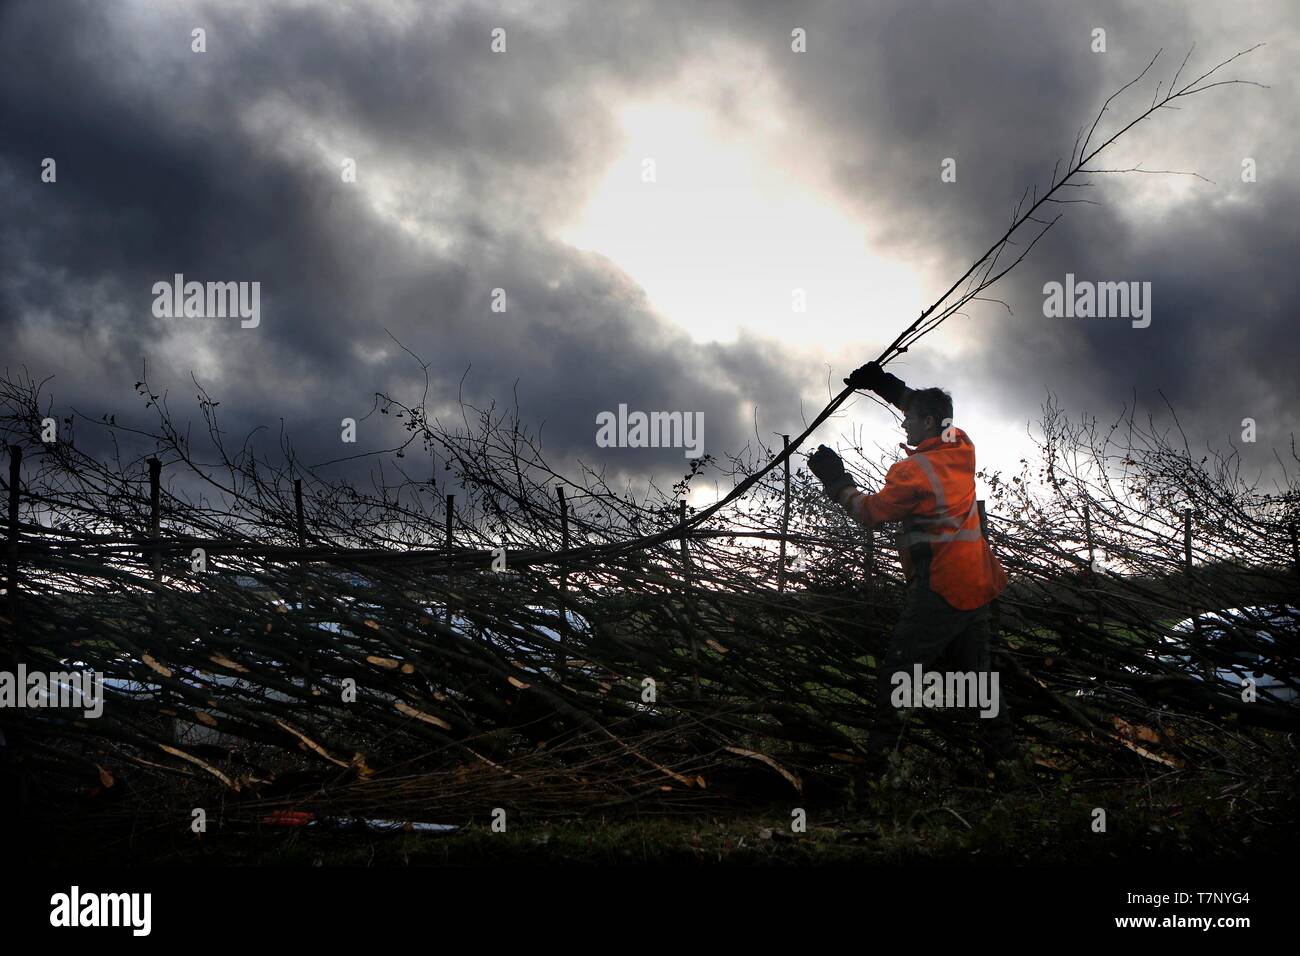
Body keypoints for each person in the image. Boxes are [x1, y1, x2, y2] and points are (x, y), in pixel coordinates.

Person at [808, 361, 1026, 787]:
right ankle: (1009, 765)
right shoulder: (961, 447)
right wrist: (885, 385)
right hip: (978, 585)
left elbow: (870, 513)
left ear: (927, 423)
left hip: (941, 589)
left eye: (909, 418)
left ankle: (878, 770)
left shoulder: (912, 473)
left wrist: (836, 481)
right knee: (978, 681)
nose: (903, 423)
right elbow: (925, 407)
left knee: (899, 673)